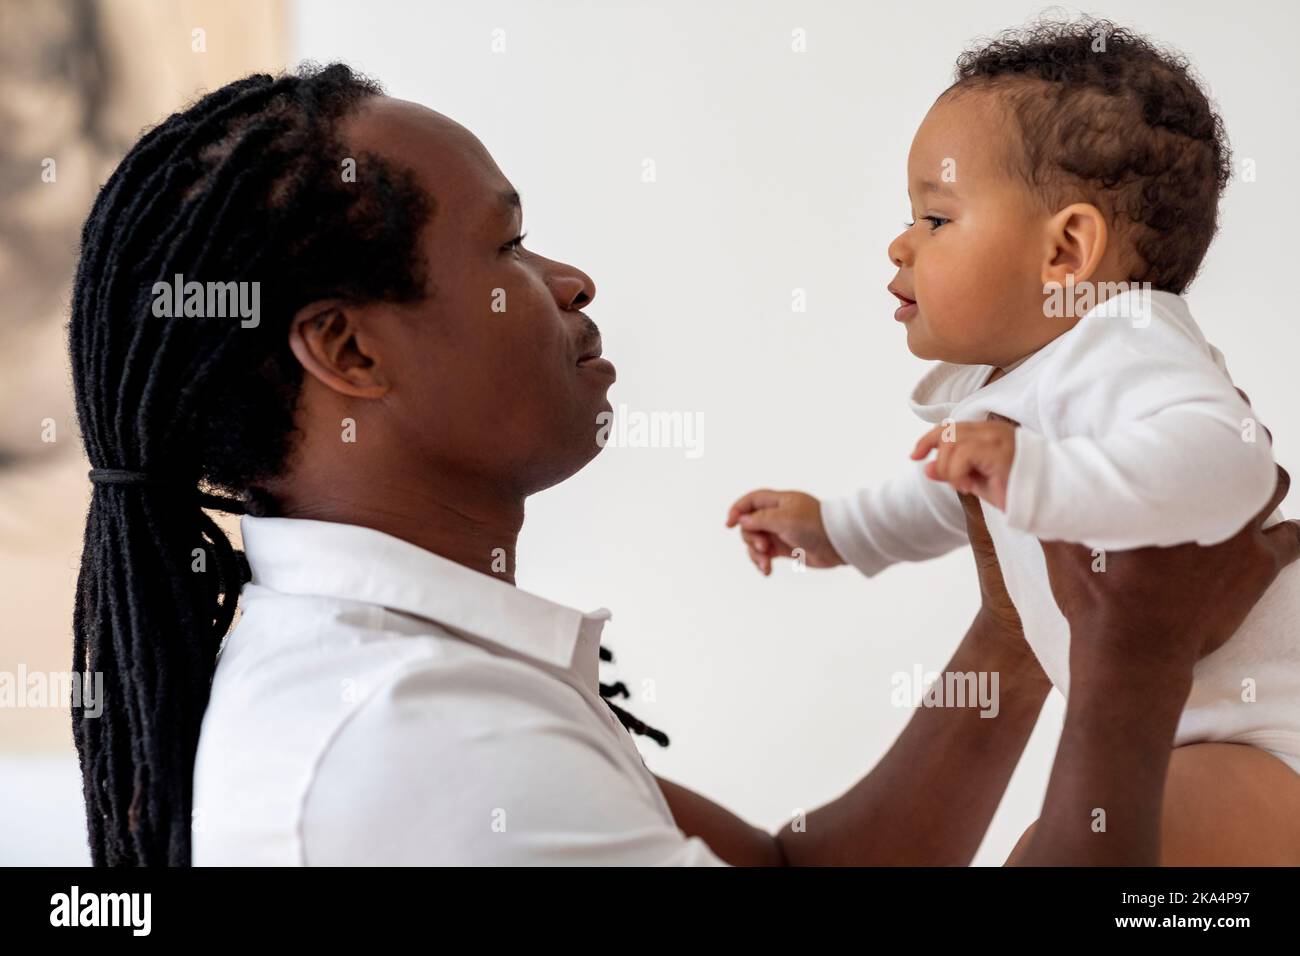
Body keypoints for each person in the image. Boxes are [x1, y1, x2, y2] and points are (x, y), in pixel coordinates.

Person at [68, 64, 1300, 866]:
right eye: (508, 246)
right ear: (347, 350)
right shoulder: (412, 752)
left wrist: (1020, 627)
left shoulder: (416, 672)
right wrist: (1124, 672)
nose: (570, 280)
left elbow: (788, 877)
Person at [727, 19, 1300, 864]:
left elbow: (1230, 459)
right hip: (1189, 737)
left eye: (934, 217)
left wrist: (1043, 472)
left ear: (1066, 249)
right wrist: (841, 528)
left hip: (1261, 740)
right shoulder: (1035, 379)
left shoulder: (1126, 338)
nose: (900, 243)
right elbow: (954, 500)